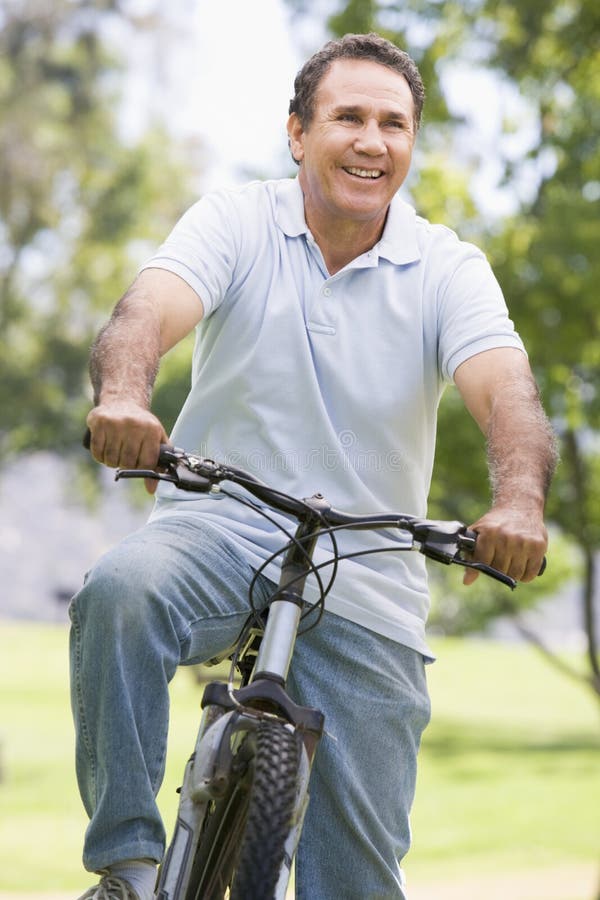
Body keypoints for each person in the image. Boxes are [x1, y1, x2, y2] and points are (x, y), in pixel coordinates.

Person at [72, 32, 556, 900]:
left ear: (411, 143)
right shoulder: (237, 221)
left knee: (360, 883)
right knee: (122, 592)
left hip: (369, 573)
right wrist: (124, 398)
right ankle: (129, 868)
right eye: (349, 118)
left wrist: (518, 502)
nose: (373, 141)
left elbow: (506, 390)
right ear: (298, 133)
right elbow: (146, 312)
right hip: (219, 529)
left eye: (394, 124)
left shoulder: (447, 268)